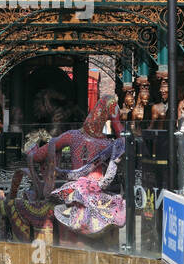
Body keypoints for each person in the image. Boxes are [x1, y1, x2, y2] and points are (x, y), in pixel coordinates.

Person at [10, 95, 126, 239]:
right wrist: (117, 123)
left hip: (77, 190)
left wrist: (32, 152)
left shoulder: (72, 136)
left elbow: (39, 155)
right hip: (98, 192)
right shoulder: (108, 144)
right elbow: (125, 139)